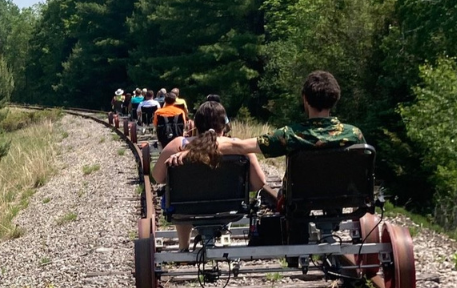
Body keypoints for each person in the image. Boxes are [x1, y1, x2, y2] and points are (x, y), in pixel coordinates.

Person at [168, 71, 365, 204]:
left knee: (286, 196)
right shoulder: (354, 134)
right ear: (335, 98)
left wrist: (192, 149)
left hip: (301, 199)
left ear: (305, 99)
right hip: (344, 196)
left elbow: (239, 147)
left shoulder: (290, 135)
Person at [152, 101, 266, 252]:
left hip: (186, 209)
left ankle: (183, 246)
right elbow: (259, 183)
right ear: (224, 125)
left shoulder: (178, 145)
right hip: (229, 206)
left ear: (196, 125)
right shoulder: (238, 146)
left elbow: (157, 177)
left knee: (177, 196)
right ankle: (224, 233)